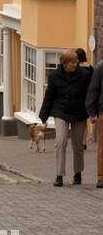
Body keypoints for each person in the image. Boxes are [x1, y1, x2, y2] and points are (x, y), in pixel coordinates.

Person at [39, 49, 92, 186]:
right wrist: (43, 115)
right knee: (60, 141)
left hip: (79, 112)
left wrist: (92, 112)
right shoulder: (55, 76)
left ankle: (78, 173)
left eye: (76, 62)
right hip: (61, 111)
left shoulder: (85, 75)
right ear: (64, 63)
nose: (75, 65)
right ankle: (59, 175)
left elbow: (91, 94)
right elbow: (49, 96)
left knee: (78, 144)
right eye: (72, 62)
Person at [85, 54, 103, 188]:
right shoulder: (100, 67)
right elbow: (93, 90)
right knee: (102, 148)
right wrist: (91, 112)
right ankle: (101, 177)